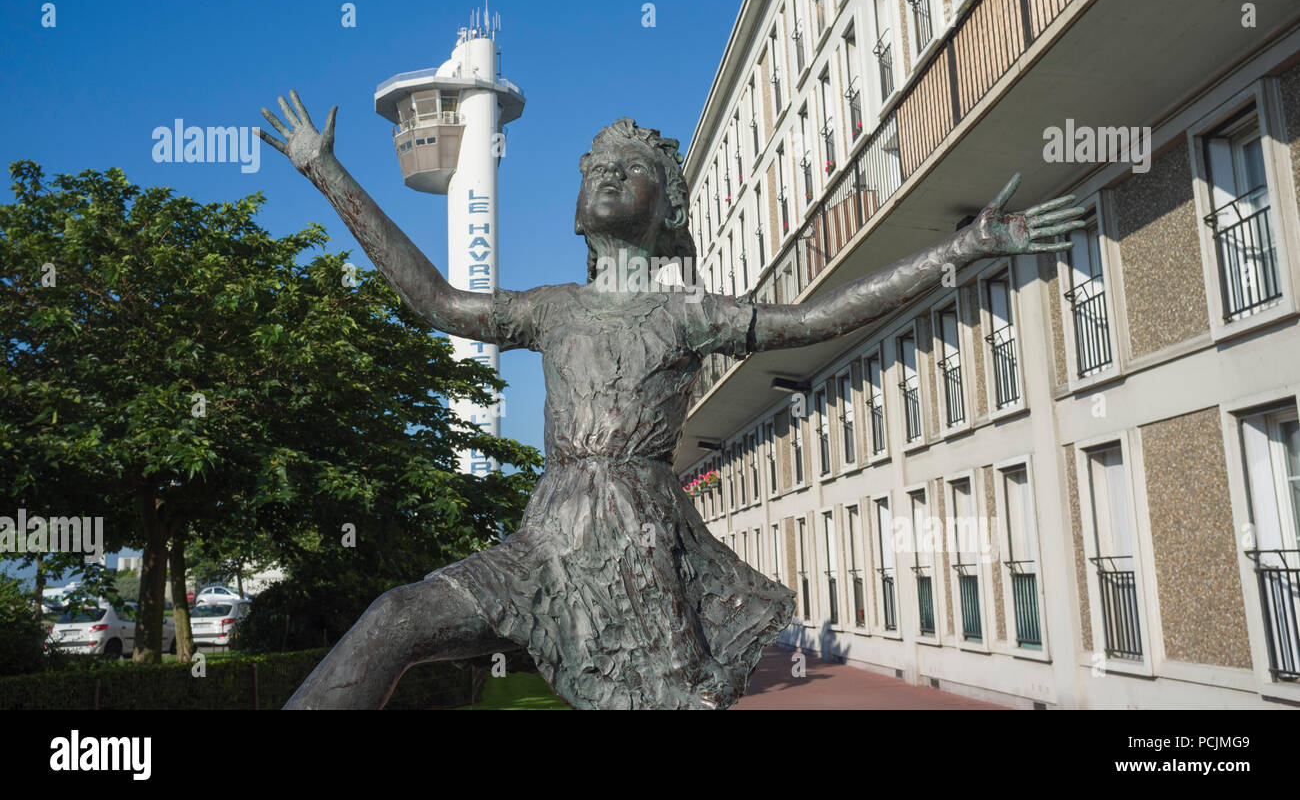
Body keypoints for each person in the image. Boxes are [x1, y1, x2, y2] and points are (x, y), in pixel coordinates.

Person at [258, 92, 1082, 709]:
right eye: (597, 168)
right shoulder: (550, 308)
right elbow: (435, 299)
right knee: (397, 615)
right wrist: (326, 170)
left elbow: (818, 316)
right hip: (546, 542)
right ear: (579, 210)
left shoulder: (690, 313)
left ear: (668, 214)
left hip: (643, 547)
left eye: (632, 169)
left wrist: (967, 245)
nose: (609, 174)